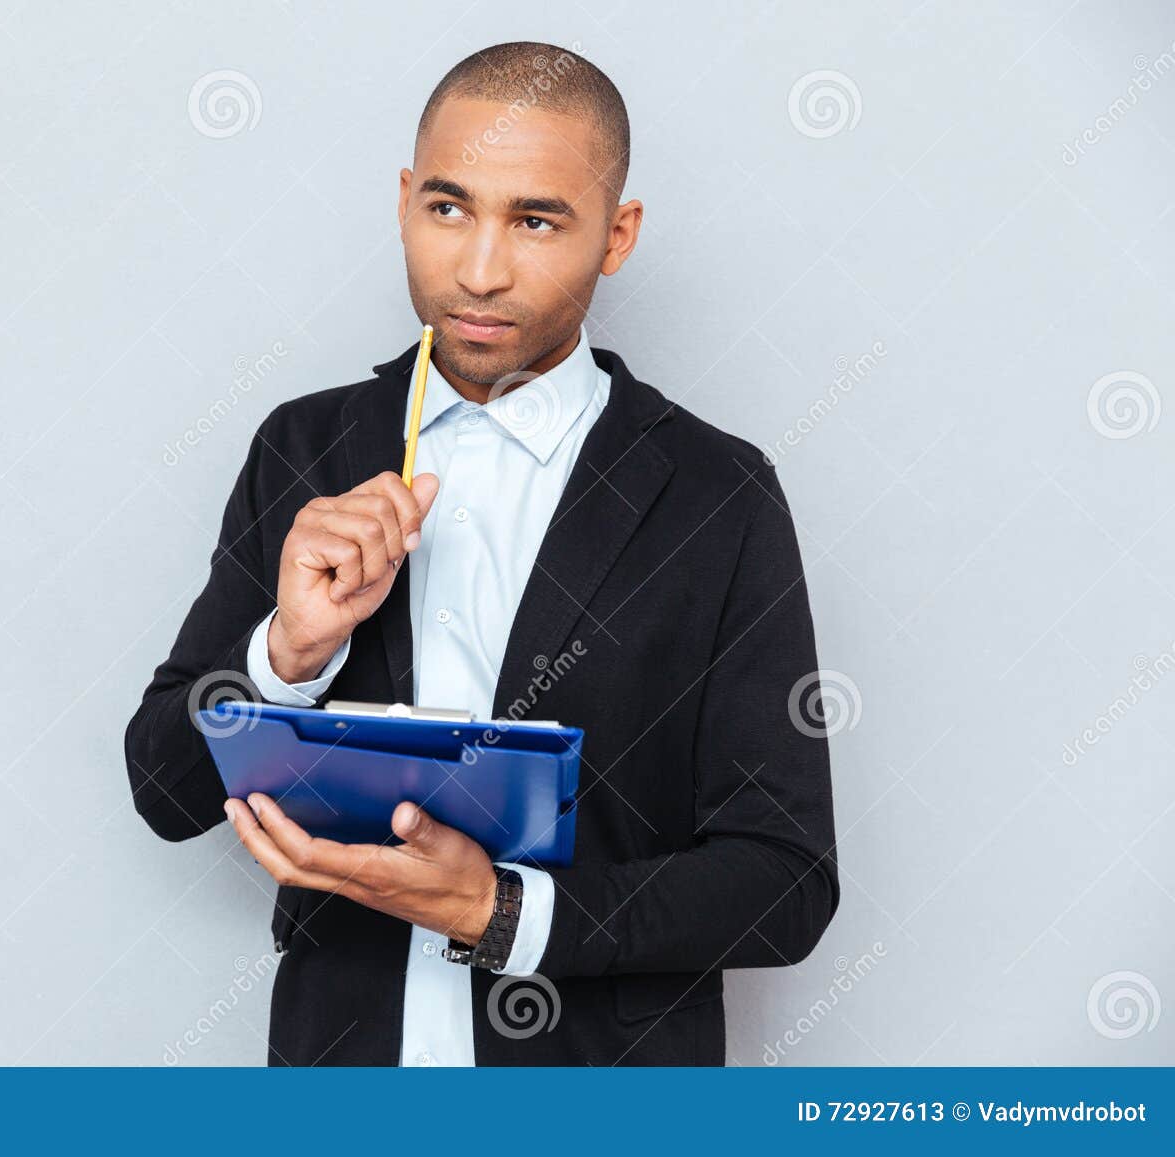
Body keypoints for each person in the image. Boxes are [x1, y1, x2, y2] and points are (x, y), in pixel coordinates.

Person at [125, 41, 838, 1066]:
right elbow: (164, 786)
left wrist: (502, 909)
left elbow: (783, 881)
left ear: (616, 235)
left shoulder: (714, 492)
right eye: (448, 209)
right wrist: (288, 653)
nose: (478, 268)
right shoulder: (304, 447)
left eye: (536, 219)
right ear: (406, 198)